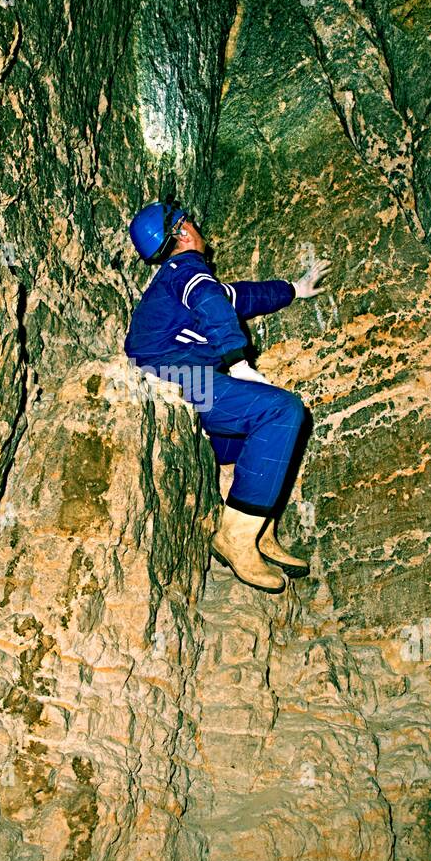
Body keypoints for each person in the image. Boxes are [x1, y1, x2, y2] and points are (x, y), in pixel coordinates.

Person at [124, 199, 330, 592]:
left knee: (241, 434)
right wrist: (238, 363)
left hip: (180, 377)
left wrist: (293, 290)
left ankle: (257, 532)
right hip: (171, 378)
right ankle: (235, 537)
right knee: (281, 411)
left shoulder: (180, 281)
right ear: (183, 231)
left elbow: (241, 298)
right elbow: (213, 305)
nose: (197, 227)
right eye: (190, 222)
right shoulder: (185, 272)